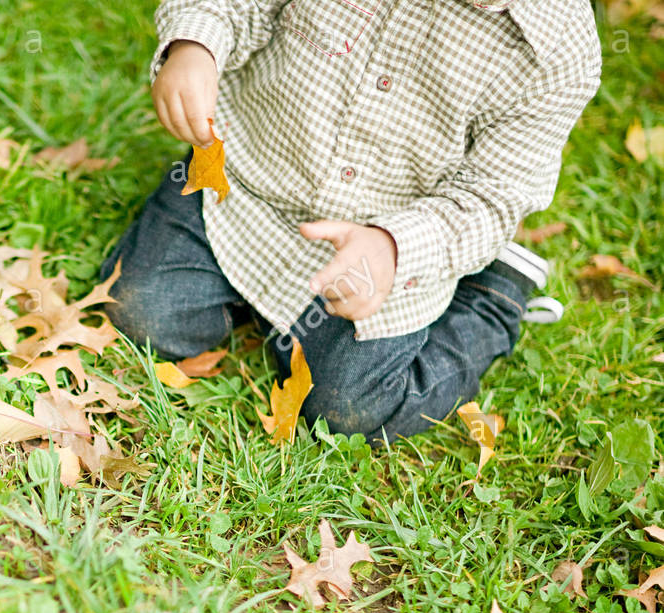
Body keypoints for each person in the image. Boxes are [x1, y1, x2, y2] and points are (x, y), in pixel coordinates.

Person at [102, 0, 601, 440]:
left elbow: (492, 195)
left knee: (348, 409)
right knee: (138, 310)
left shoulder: (558, 49)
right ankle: (253, 302)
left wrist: (394, 248)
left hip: (387, 256)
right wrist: (195, 45)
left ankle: (494, 294)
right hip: (244, 192)